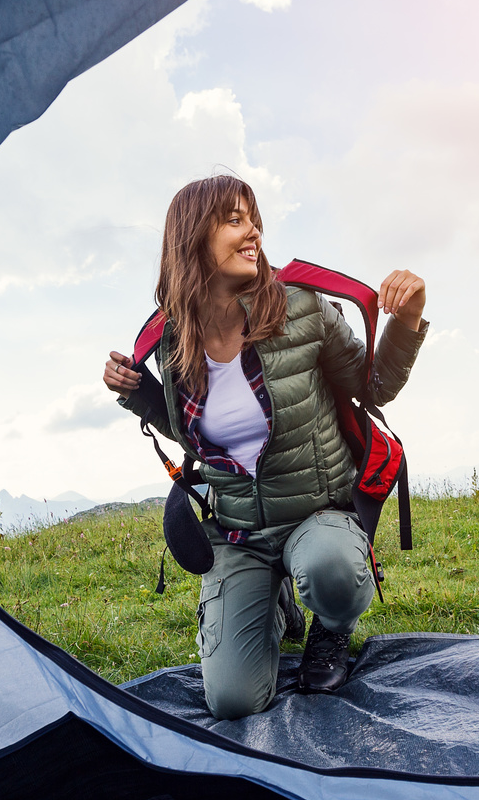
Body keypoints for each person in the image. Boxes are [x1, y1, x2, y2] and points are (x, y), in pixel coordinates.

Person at [103, 175, 427, 719]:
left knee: (332, 571)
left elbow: (374, 388)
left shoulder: (301, 307)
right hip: (239, 533)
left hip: (315, 514)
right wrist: (135, 395)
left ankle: (330, 627)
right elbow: (193, 436)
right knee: (232, 702)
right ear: (191, 237)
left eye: (253, 220)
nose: (253, 232)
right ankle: (276, 605)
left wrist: (411, 313)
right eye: (234, 220)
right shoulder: (170, 340)